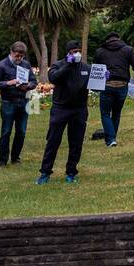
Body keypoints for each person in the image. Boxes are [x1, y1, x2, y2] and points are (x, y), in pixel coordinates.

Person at [36, 39, 90, 185]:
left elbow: (96, 86)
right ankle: (45, 172)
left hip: (79, 109)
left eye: (79, 51)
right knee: (53, 141)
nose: (77, 54)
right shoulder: (58, 65)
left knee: (76, 142)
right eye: (74, 52)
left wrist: (103, 78)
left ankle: (71, 172)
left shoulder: (86, 68)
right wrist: (68, 64)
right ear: (68, 53)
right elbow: (53, 77)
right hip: (61, 108)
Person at [93, 32, 134, 148]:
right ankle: (112, 138)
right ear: (119, 39)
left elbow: (95, 70)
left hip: (107, 85)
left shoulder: (100, 51)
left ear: (107, 40)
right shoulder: (128, 50)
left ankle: (111, 139)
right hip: (122, 85)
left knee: (105, 113)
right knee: (116, 113)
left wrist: (95, 87)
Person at [0, 40, 36, 166]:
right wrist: (9, 83)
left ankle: (15, 158)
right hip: (8, 103)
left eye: (22, 56)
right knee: (6, 132)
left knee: (21, 131)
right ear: (11, 52)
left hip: (24, 101)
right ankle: (2, 161)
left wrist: (28, 86)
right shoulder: (2, 65)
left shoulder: (26, 65)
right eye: (17, 55)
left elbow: (34, 81)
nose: (19, 58)